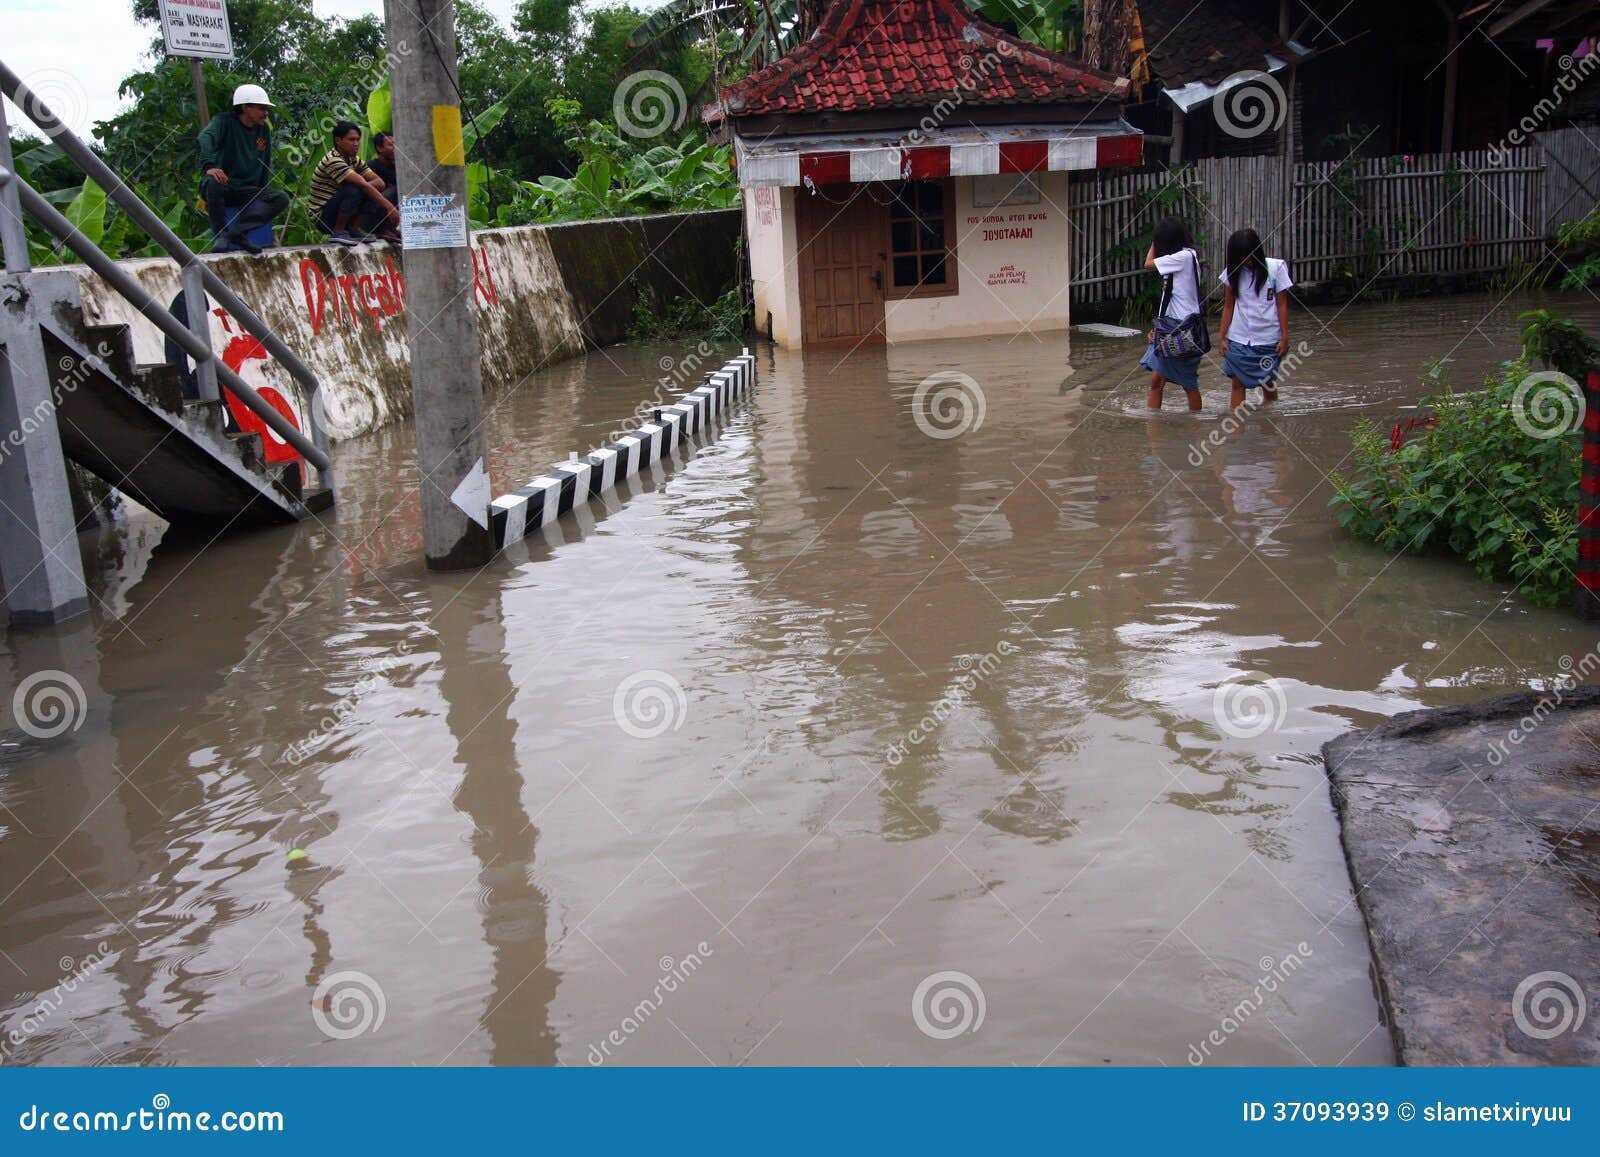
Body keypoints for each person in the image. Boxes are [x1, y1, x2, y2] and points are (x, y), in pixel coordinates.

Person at [197, 83, 290, 254]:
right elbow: (205, 138)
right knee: (212, 182)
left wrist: (263, 191)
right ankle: (221, 235)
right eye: (261, 108)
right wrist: (210, 166)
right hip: (224, 185)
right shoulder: (223, 122)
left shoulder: (263, 131)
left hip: (247, 189)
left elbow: (264, 163)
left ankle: (238, 233)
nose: (265, 113)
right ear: (246, 107)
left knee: (280, 198)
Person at [1218, 227, 1292, 410]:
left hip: (1268, 339)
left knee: (1268, 382)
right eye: (1240, 257)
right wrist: (1221, 337)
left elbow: (1282, 305)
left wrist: (1284, 337)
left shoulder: (1276, 268)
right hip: (1238, 339)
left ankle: (1271, 421)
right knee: (1237, 383)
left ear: (1256, 251)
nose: (1245, 261)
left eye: (1248, 256)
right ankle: (1236, 428)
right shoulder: (1231, 273)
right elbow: (1228, 306)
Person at [1141, 218, 1205, 412]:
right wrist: (1158, 327)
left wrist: (1154, 242)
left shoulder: (1183, 257)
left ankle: (1193, 424)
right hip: (1173, 325)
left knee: (1188, 384)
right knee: (1157, 381)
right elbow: (1169, 298)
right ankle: (1155, 428)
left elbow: (1148, 263)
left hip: (1182, 328)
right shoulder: (1182, 259)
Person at [308, 122, 400, 246]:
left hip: (340, 210)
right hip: (323, 218)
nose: (356, 144)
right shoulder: (333, 160)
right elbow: (363, 184)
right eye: (351, 140)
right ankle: (338, 231)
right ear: (338, 140)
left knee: (367, 189)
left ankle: (352, 228)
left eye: (357, 140)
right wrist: (389, 207)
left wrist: (366, 188)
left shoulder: (354, 160)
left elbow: (380, 183)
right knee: (355, 188)